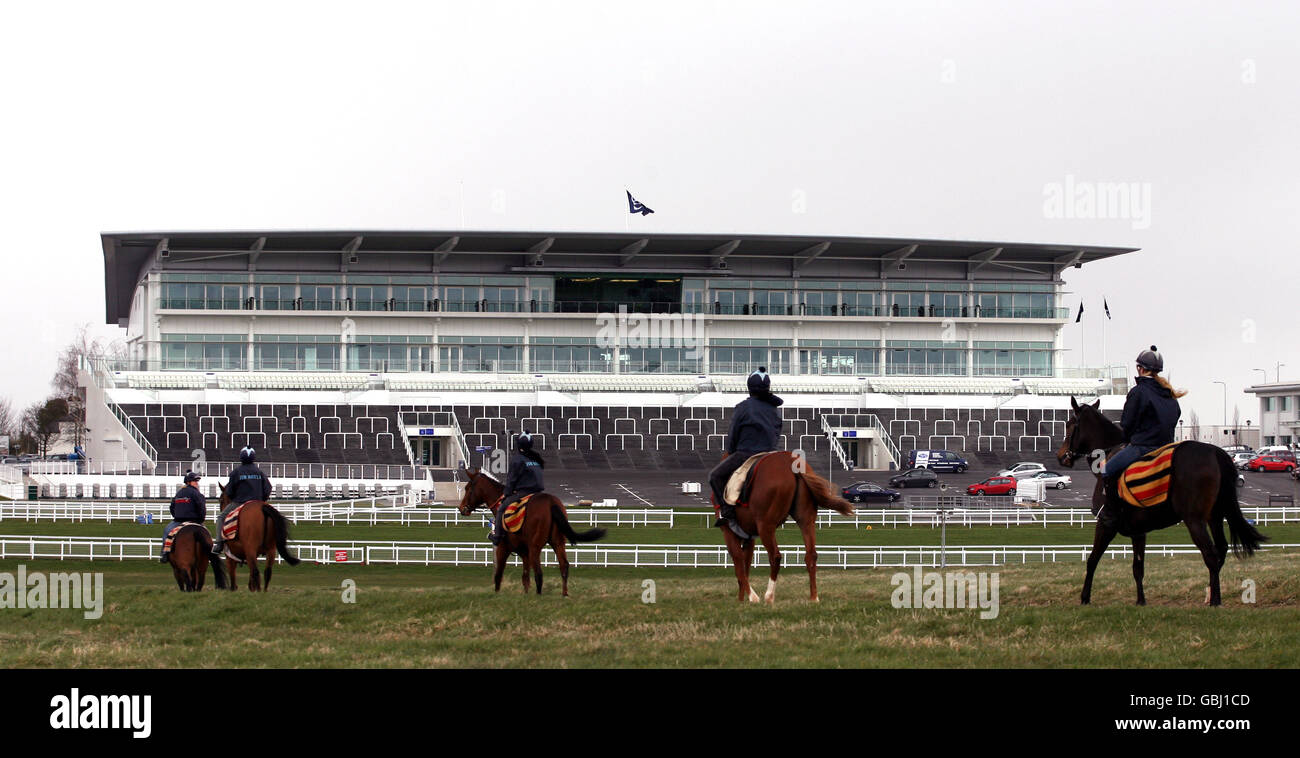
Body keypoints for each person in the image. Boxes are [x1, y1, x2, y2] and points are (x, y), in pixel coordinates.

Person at [1098, 345, 1185, 526]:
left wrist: (1128, 440)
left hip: (1142, 447)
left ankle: (1111, 512)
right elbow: (1174, 418)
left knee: (1106, 470)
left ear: (1140, 368)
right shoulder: (1170, 394)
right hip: (1167, 449)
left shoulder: (1138, 392)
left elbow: (1127, 425)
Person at [709, 367, 784, 539]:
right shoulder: (775, 409)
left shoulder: (742, 407)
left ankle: (726, 511)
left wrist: (731, 451)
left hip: (745, 454)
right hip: (770, 455)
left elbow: (733, 434)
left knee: (714, 476)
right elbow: (777, 432)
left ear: (749, 387)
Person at [211, 446, 272, 555]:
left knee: (221, 517)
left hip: (239, 503)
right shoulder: (259, 472)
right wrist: (262, 500)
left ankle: (219, 544)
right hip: (258, 503)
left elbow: (229, 492)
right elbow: (268, 488)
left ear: (241, 457)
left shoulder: (236, 472)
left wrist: (236, 497)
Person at [490, 432, 545, 545]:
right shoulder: (536, 457)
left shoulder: (518, 459)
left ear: (519, 445)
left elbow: (512, 480)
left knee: (501, 508)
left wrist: (506, 493)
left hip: (524, 492)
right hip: (539, 492)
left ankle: (497, 537)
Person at [160, 471, 207, 563]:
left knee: (167, 531)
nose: (197, 483)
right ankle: (210, 553)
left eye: (197, 481)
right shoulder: (197, 494)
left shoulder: (179, 493)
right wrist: (201, 520)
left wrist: (176, 516)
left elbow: (172, 507)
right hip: (195, 521)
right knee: (206, 535)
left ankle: (165, 553)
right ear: (189, 482)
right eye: (195, 481)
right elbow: (201, 508)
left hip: (178, 522)